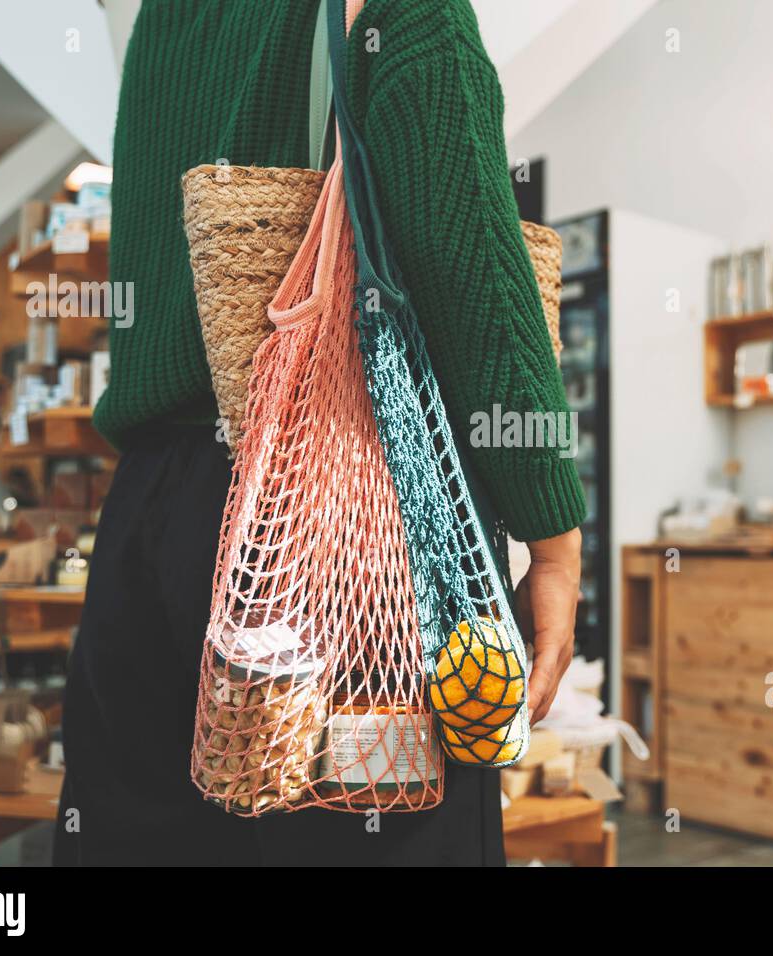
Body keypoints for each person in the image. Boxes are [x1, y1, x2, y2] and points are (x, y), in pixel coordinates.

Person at [55, 0, 585, 866]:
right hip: (333, 514)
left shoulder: (164, 19)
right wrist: (553, 538)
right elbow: (474, 268)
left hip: (150, 515)